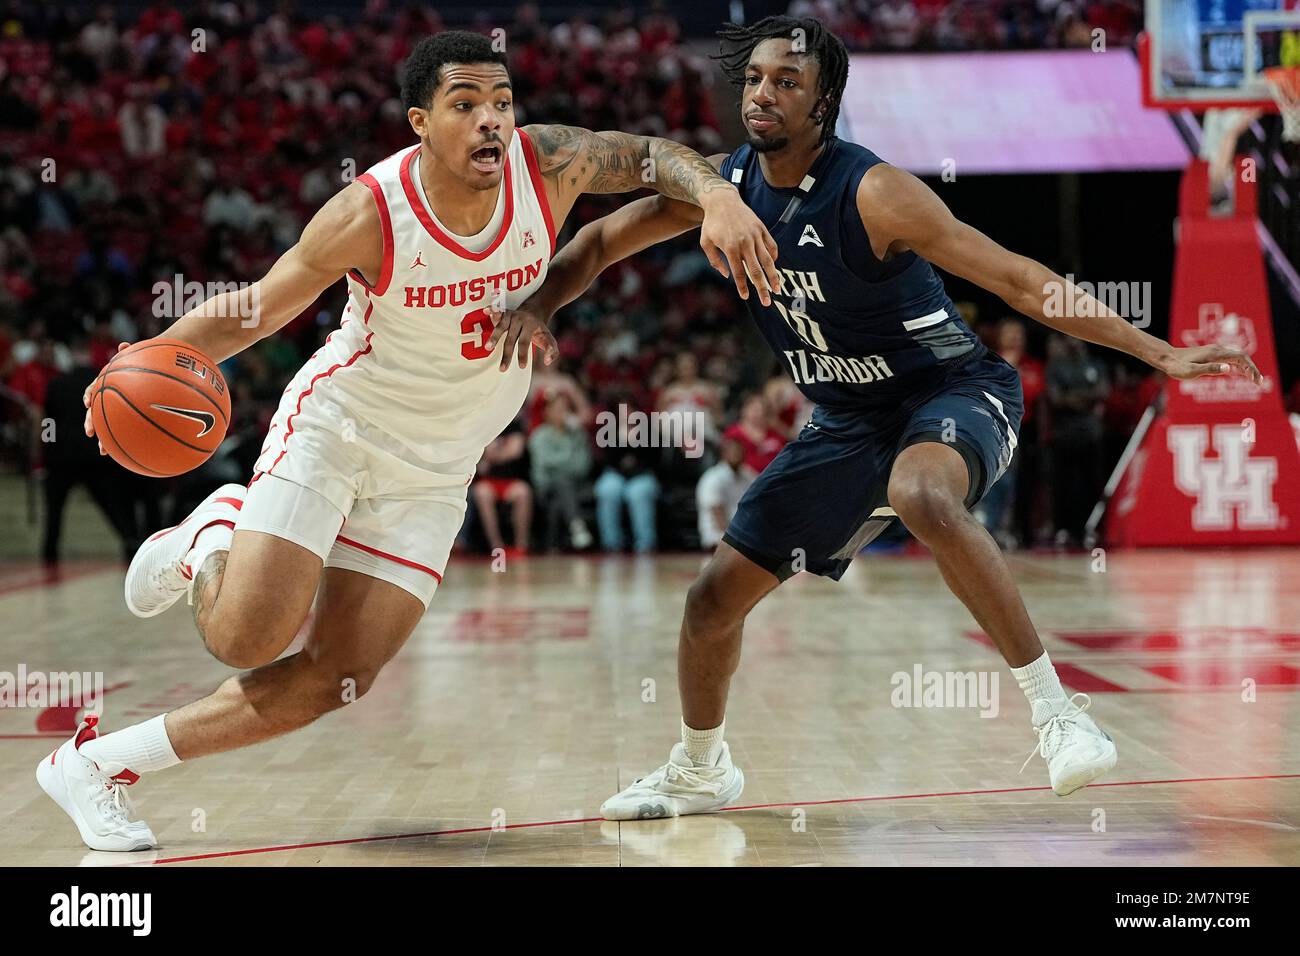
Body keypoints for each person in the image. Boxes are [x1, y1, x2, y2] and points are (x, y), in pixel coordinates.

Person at [495, 15, 1259, 819]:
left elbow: (1021, 281)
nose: (763, 93)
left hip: (952, 391)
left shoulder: (875, 190)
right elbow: (604, 236)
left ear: (824, 103)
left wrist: (1159, 352)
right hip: (846, 419)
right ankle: (700, 767)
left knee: (924, 494)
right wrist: (541, 300)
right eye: (755, 78)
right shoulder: (724, 187)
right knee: (710, 601)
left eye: (787, 82)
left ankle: (1059, 713)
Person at [40, 30, 780, 851]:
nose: (491, 121)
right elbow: (254, 309)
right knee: (246, 637)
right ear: (420, 122)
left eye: (502, 102)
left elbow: (647, 157)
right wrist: (134, 368)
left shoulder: (548, 164)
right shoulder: (370, 211)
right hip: (341, 429)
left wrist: (717, 197)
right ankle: (211, 534)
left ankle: (97, 766)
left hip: (438, 470)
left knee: (340, 679)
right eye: (466, 106)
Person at [527, 393, 593, 551]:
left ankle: (555, 545)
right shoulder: (539, 437)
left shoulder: (577, 434)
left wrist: (558, 465)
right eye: (556, 409)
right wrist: (569, 457)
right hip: (546, 486)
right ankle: (576, 527)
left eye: (564, 409)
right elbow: (542, 466)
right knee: (561, 484)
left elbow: (583, 465)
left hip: (576, 484)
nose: (561, 413)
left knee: (559, 499)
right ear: (547, 412)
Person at [471, 418, 532, 557]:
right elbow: (487, 455)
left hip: (511, 480)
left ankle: (521, 544)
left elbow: (515, 451)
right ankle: (496, 545)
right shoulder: (486, 425)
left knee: (523, 492)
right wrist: (501, 452)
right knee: (481, 493)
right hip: (490, 481)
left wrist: (495, 454)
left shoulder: (515, 425)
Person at [696, 435, 754, 549]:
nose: (737, 455)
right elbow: (719, 518)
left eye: (739, 451)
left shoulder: (748, 475)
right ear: (723, 453)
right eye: (733, 451)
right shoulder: (712, 478)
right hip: (719, 539)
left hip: (744, 538)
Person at [723, 392, 786, 473]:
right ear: (744, 410)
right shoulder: (733, 433)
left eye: (764, 410)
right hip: (743, 480)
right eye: (755, 410)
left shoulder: (775, 434)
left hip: (774, 478)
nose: (760, 413)